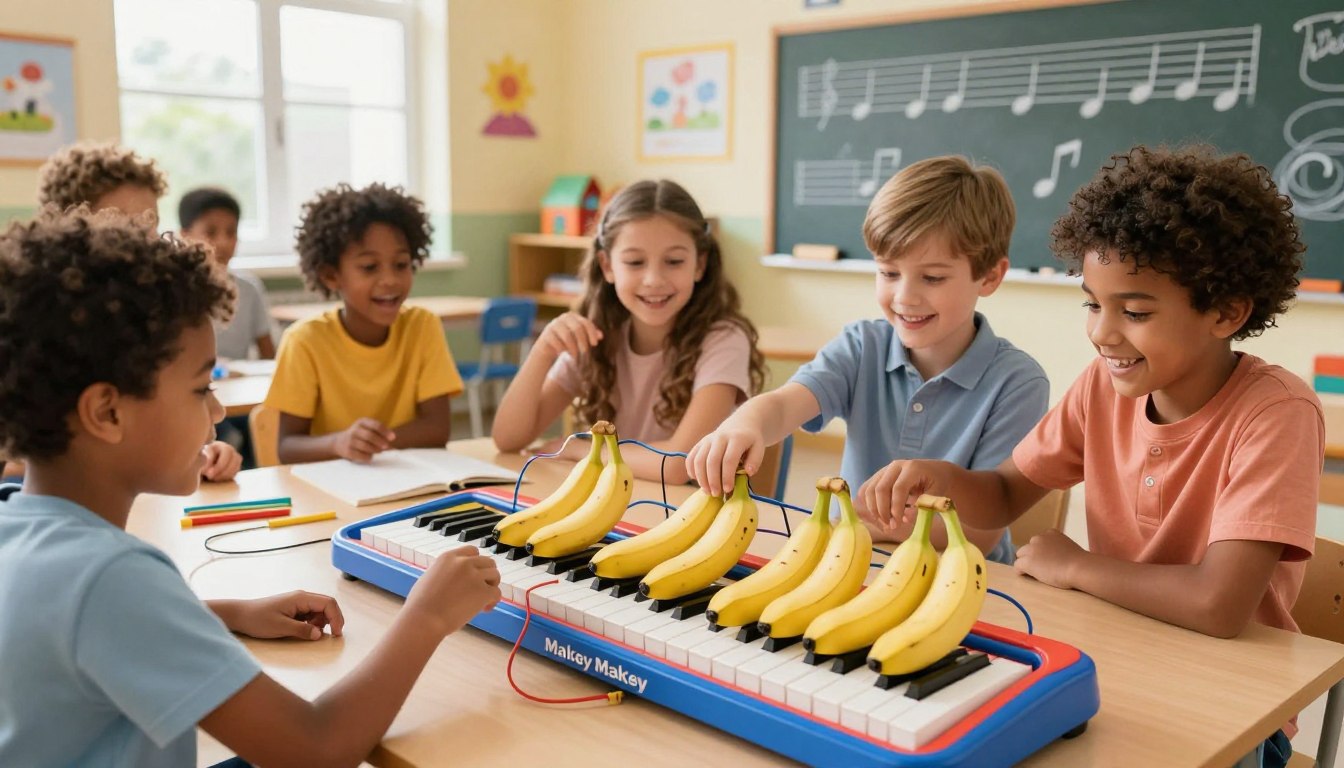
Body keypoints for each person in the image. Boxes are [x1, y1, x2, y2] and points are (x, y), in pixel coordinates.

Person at [860, 145, 1320, 768]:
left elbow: (1219, 605)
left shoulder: (1276, 414)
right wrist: (939, 478)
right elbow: (1004, 495)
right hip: (1117, 657)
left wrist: (1076, 566)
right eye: (1092, 304)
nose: (1102, 333)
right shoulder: (1102, 387)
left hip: (1234, 704)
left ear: (1225, 311)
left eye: (1135, 311)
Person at [0, 206, 501, 767]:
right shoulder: (112, 576)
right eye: (200, 389)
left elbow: (98, 628)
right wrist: (426, 616)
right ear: (107, 413)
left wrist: (229, 613)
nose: (218, 411)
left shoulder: (14, 521)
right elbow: (317, 749)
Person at [687, 156, 1047, 562]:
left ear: (990, 276)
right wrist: (743, 425)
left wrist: (864, 524)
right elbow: (786, 404)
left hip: (965, 579)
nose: (904, 297)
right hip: (858, 563)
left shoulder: (1018, 382)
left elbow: (980, 534)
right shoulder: (862, 346)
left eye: (932, 277)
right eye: (889, 273)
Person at [492, 179, 766, 484]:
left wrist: (583, 450)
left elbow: (678, 465)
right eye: (635, 262)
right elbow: (508, 439)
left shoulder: (724, 340)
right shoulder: (596, 335)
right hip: (616, 500)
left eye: (674, 261)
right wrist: (542, 352)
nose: (653, 279)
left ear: (699, 265)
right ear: (607, 266)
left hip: (690, 507)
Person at [35, 140, 241, 481]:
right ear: (67, 227)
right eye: (124, 228)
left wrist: (195, 453)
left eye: (151, 227)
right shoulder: (35, 322)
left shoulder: (149, 313)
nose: (145, 244)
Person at [266, 182, 463, 464]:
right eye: (370, 267)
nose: (390, 280)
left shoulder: (422, 326)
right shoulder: (305, 341)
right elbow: (288, 447)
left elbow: (437, 429)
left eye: (401, 264)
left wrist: (369, 445)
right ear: (331, 276)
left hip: (410, 478)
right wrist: (339, 443)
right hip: (332, 482)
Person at [179, 186, 275, 360]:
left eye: (231, 232)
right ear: (185, 236)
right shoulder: (175, 290)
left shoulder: (249, 288)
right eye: (210, 232)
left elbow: (269, 355)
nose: (223, 243)